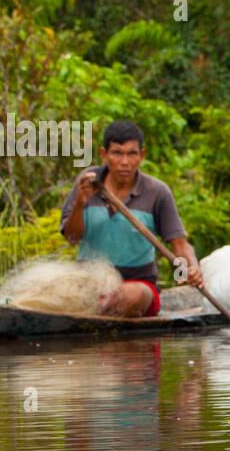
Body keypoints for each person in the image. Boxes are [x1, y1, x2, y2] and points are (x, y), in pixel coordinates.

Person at [60, 119, 204, 317]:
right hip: (89, 285)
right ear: (104, 155)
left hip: (137, 285)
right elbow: (72, 238)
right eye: (117, 153)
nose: (124, 162)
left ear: (141, 156)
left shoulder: (157, 192)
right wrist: (79, 204)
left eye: (131, 154)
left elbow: (178, 246)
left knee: (132, 296)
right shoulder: (88, 182)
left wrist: (187, 272)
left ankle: (96, 313)